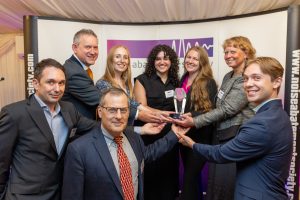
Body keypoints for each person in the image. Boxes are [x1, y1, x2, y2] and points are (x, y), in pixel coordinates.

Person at [178, 56, 293, 200]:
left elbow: (221, 154)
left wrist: (192, 144)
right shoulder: (276, 114)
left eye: (256, 78)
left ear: (276, 82)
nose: (248, 84)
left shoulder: (262, 123)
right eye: (245, 79)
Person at [61, 87, 187, 200]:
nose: (119, 116)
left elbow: (147, 154)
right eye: (112, 110)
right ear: (100, 111)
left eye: (123, 110)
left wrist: (174, 134)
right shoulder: (79, 150)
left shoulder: (133, 137)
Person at [0, 58, 97, 200]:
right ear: (35, 84)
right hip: (24, 196)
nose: (57, 89)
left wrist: (137, 130)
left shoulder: (68, 109)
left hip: (59, 193)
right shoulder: (14, 113)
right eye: (50, 82)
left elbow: (96, 128)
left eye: (61, 83)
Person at [174, 36, 256, 200]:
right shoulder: (228, 76)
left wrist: (194, 119)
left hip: (234, 135)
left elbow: (225, 109)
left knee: (225, 185)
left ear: (246, 53)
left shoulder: (246, 78)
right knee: (213, 184)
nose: (228, 55)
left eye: (233, 51)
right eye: (226, 52)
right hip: (217, 135)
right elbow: (218, 105)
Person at [62, 29, 159, 123]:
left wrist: (157, 113)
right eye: (88, 47)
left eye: (95, 47)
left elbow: (132, 103)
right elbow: (105, 101)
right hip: (79, 133)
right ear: (75, 48)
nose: (93, 52)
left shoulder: (80, 69)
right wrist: (140, 115)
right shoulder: (74, 72)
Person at [133, 44, 180, 200]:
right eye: (158, 58)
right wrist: (163, 115)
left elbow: (181, 105)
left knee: (169, 174)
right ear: (152, 61)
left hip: (171, 134)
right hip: (150, 132)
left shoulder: (177, 82)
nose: (162, 62)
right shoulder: (142, 80)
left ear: (171, 61)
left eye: (166, 58)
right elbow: (142, 107)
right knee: (151, 174)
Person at [179, 46, 218, 200]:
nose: (190, 61)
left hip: (199, 139)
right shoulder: (183, 79)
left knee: (189, 178)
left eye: (195, 58)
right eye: (188, 57)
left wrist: (190, 116)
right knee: (192, 179)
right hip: (183, 136)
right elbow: (180, 103)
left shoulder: (209, 82)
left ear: (202, 62)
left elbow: (211, 111)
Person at [96, 45, 163, 124]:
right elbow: (128, 106)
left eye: (125, 57)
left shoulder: (126, 83)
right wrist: (155, 114)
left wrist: (158, 114)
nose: (122, 60)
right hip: (113, 132)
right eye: (117, 57)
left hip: (127, 131)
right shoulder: (103, 84)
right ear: (110, 60)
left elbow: (134, 104)